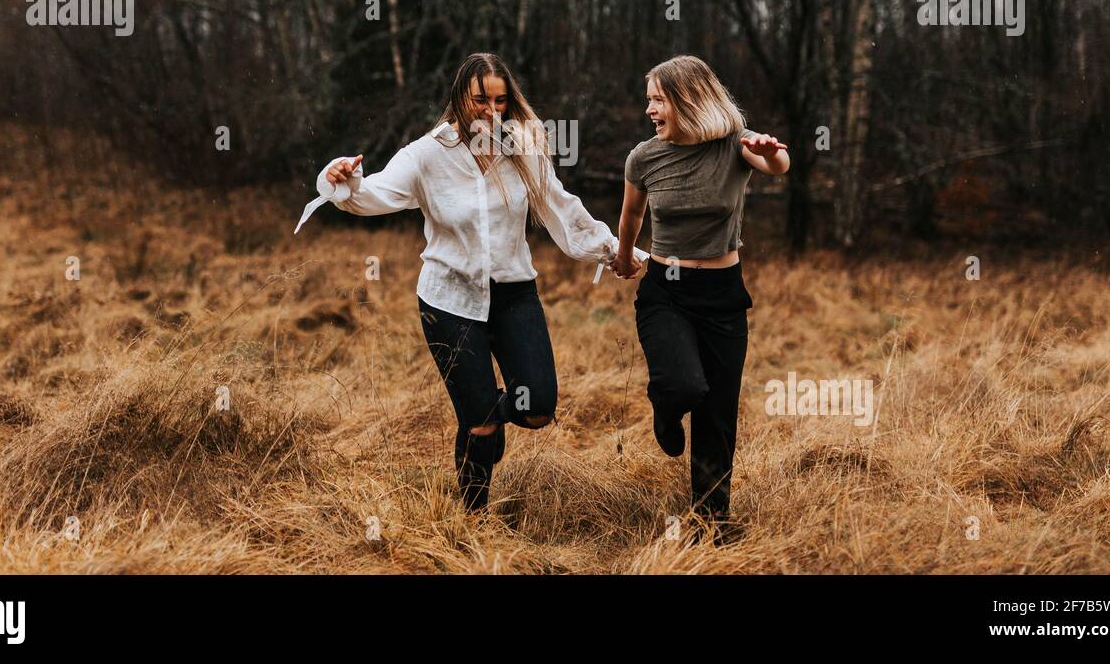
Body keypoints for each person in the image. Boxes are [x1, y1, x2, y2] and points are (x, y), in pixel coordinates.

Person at [318, 53, 618, 510]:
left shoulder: (522, 151)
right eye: (481, 100)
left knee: (537, 409)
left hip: (513, 295)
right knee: (480, 426)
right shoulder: (426, 155)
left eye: (500, 100)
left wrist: (615, 250)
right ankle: (474, 518)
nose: (491, 111)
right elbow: (374, 194)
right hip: (448, 301)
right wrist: (344, 179)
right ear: (460, 96)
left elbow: (562, 208)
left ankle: (484, 412)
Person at [611, 55, 789, 534]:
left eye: (658, 100)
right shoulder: (644, 157)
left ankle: (712, 521)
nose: (649, 109)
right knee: (684, 386)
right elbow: (631, 216)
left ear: (689, 99)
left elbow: (777, 166)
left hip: (723, 294)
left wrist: (771, 151)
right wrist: (625, 257)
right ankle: (666, 409)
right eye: (649, 100)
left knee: (717, 413)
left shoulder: (734, 145)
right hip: (666, 291)